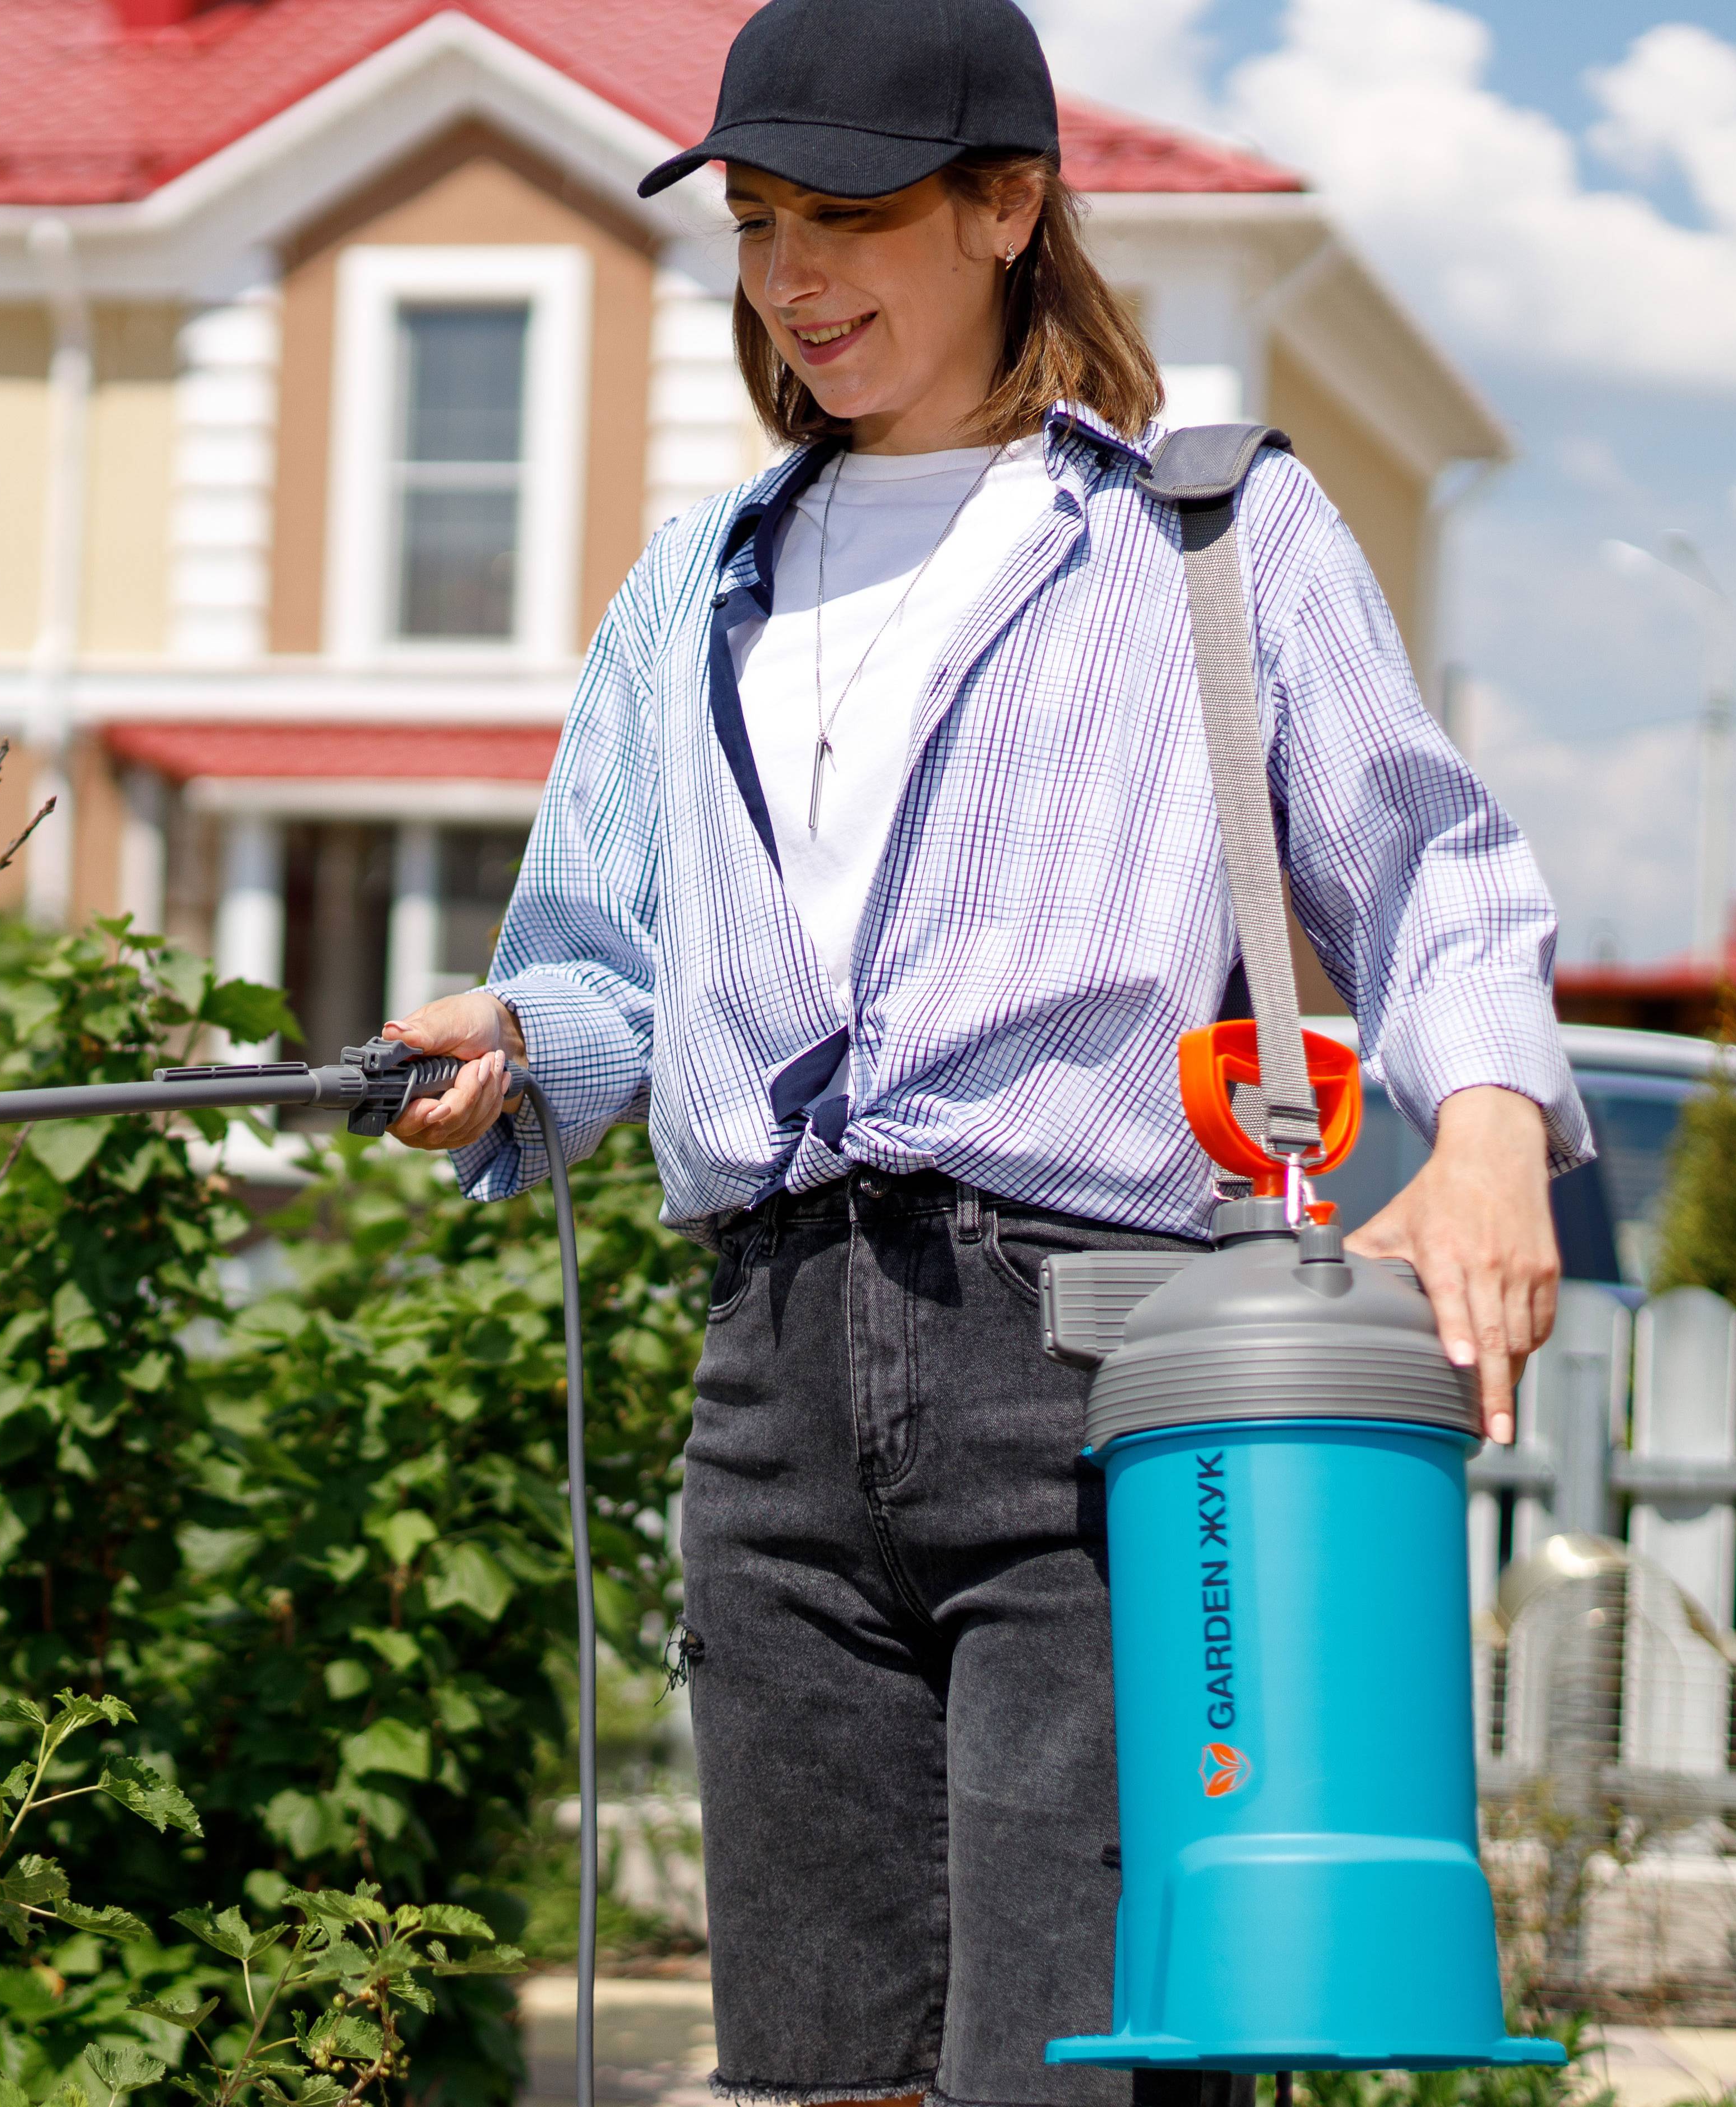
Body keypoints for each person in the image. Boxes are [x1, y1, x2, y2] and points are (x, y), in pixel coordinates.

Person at [372, 0, 1590, 2101]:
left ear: (1011, 205)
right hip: (768, 1401)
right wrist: (513, 1041)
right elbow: (605, 970)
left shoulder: (1204, 535)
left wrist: (1482, 1134)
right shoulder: (696, 583)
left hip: (1099, 1402)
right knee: (813, 2076)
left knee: (1077, 2070)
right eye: (757, 223)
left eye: (845, 217)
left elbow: (1432, 872)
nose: (790, 278)